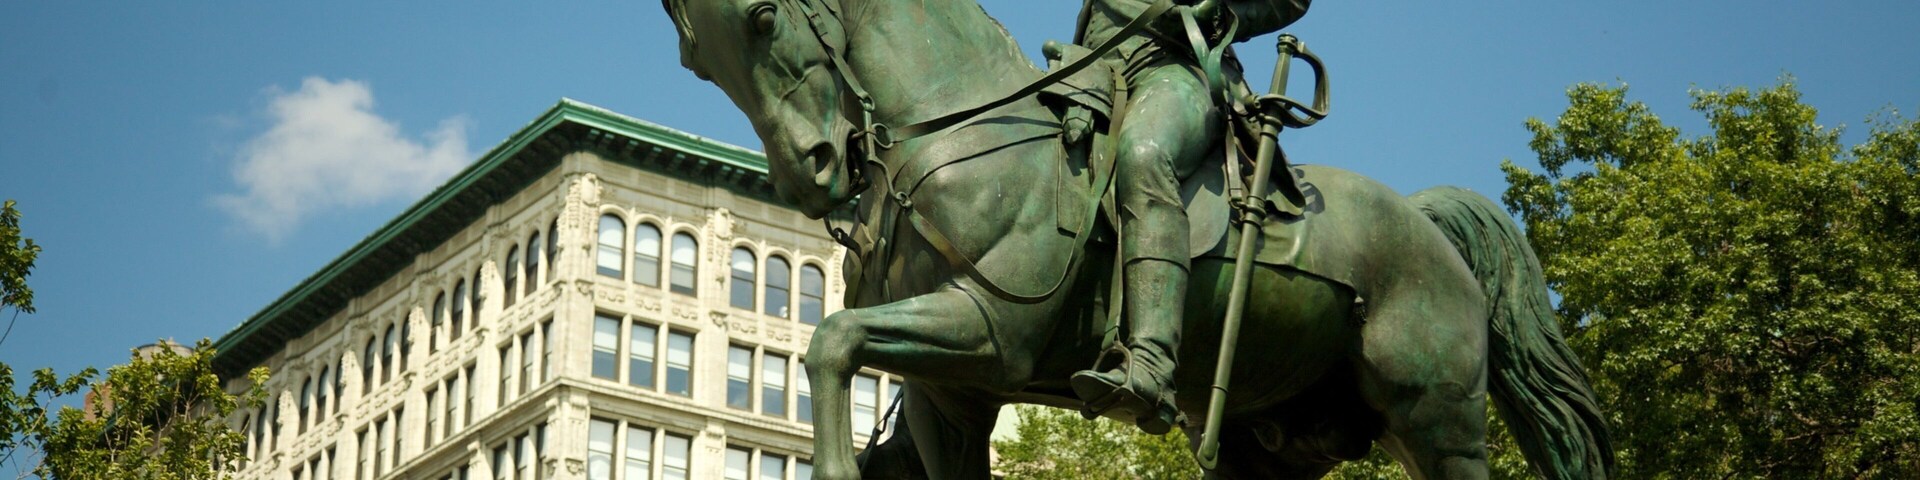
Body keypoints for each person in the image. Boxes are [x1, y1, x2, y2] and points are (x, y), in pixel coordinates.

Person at [1068, 0, 1312, 436]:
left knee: (1145, 156)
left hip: (1175, 66)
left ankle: (1151, 363)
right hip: (1087, 70)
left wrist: (1221, 8)